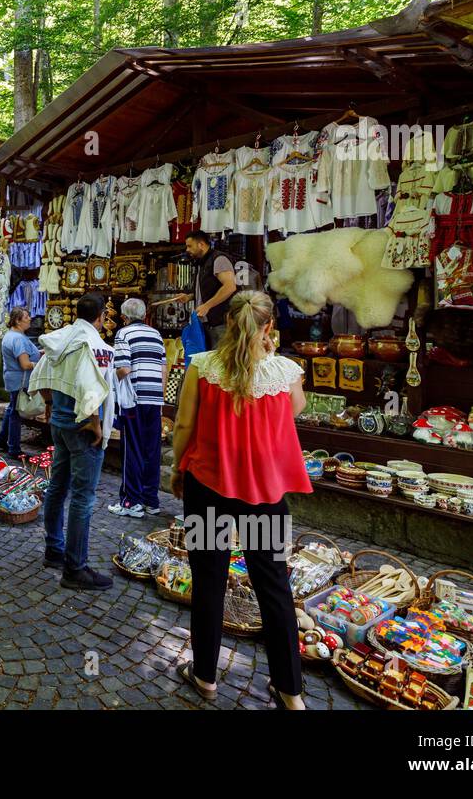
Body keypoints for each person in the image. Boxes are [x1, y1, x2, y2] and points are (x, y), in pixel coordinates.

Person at [170, 291, 311, 710]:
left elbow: (183, 424)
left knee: (208, 580)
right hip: (264, 494)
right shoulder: (285, 371)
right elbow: (295, 411)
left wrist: (178, 469)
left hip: (207, 488)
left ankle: (206, 676)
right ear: (269, 328)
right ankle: (291, 692)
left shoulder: (202, 367)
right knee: (273, 586)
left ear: (227, 323)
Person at [28, 293, 117, 591]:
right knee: (83, 496)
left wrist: (51, 402)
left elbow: (40, 373)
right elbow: (91, 387)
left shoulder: (60, 338)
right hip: (81, 428)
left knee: (58, 486)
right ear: (102, 315)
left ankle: (55, 548)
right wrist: (94, 422)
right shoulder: (95, 345)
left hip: (60, 424)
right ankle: (75, 567)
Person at [108, 298, 168, 519]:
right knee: (151, 451)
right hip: (154, 399)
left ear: (124, 317)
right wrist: (159, 396)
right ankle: (151, 500)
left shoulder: (123, 334)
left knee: (131, 448)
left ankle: (131, 501)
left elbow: (123, 369)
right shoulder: (156, 334)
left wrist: (108, 378)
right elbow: (163, 368)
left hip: (134, 399)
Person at [175, 230, 238, 345]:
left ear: (201, 245)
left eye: (190, 246)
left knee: (221, 359)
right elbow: (208, 290)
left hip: (221, 322)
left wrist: (207, 306)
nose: (187, 250)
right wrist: (189, 297)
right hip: (208, 323)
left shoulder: (219, 259)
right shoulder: (202, 263)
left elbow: (230, 286)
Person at [0, 308, 40, 458]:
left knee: (12, 409)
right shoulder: (18, 339)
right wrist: (40, 364)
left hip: (12, 378)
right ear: (17, 321)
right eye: (27, 317)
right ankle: (14, 448)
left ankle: (2, 439)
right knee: (16, 413)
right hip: (19, 380)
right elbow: (25, 364)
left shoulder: (11, 335)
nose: (30, 319)